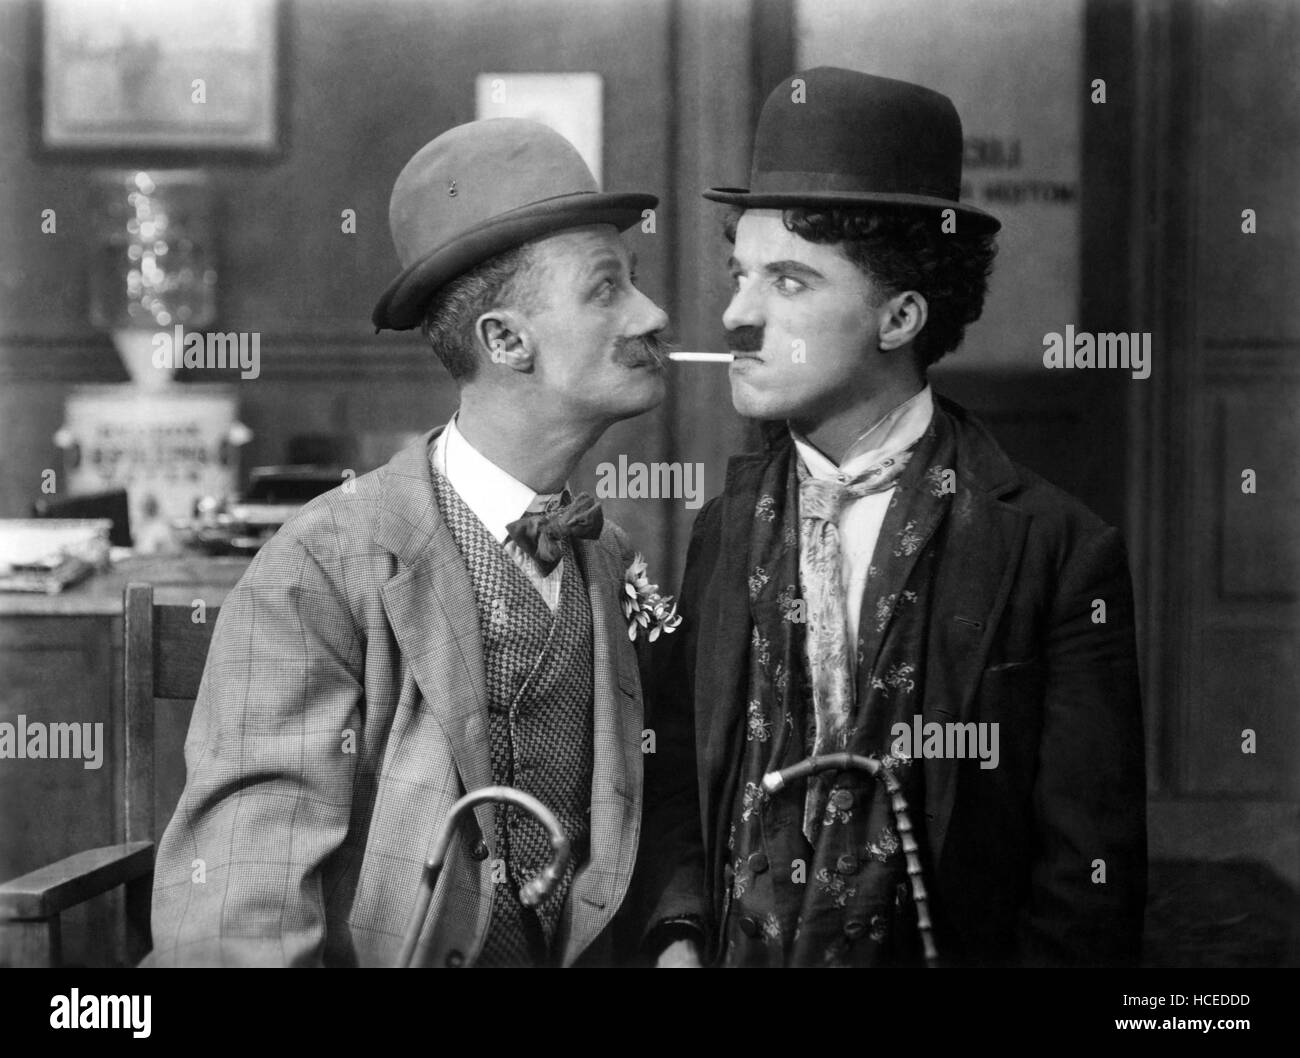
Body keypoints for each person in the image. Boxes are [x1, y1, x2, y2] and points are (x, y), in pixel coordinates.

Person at [635, 68, 1146, 968]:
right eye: (739, 274)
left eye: (788, 282)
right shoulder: (724, 526)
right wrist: (678, 936)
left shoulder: (1056, 550)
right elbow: (680, 779)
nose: (735, 316)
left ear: (900, 316)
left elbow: (1085, 886)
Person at [147, 118, 670, 967]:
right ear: (505, 340)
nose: (653, 312)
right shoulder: (319, 569)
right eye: (607, 288)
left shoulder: (608, 557)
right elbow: (240, 908)